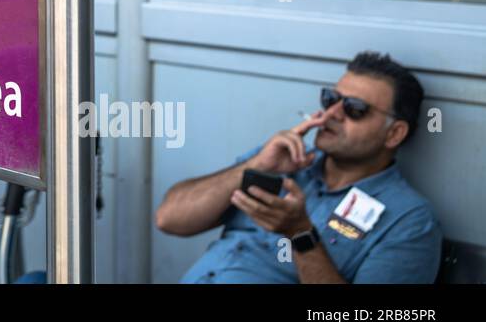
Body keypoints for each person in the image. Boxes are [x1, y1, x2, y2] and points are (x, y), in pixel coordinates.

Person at [155, 51, 442, 284]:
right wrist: (256, 165)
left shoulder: (408, 220)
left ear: (394, 134)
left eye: (354, 109)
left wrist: (301, 235)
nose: (331, 114)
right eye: (330, 99)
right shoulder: (285, 159)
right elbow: (169, 219)